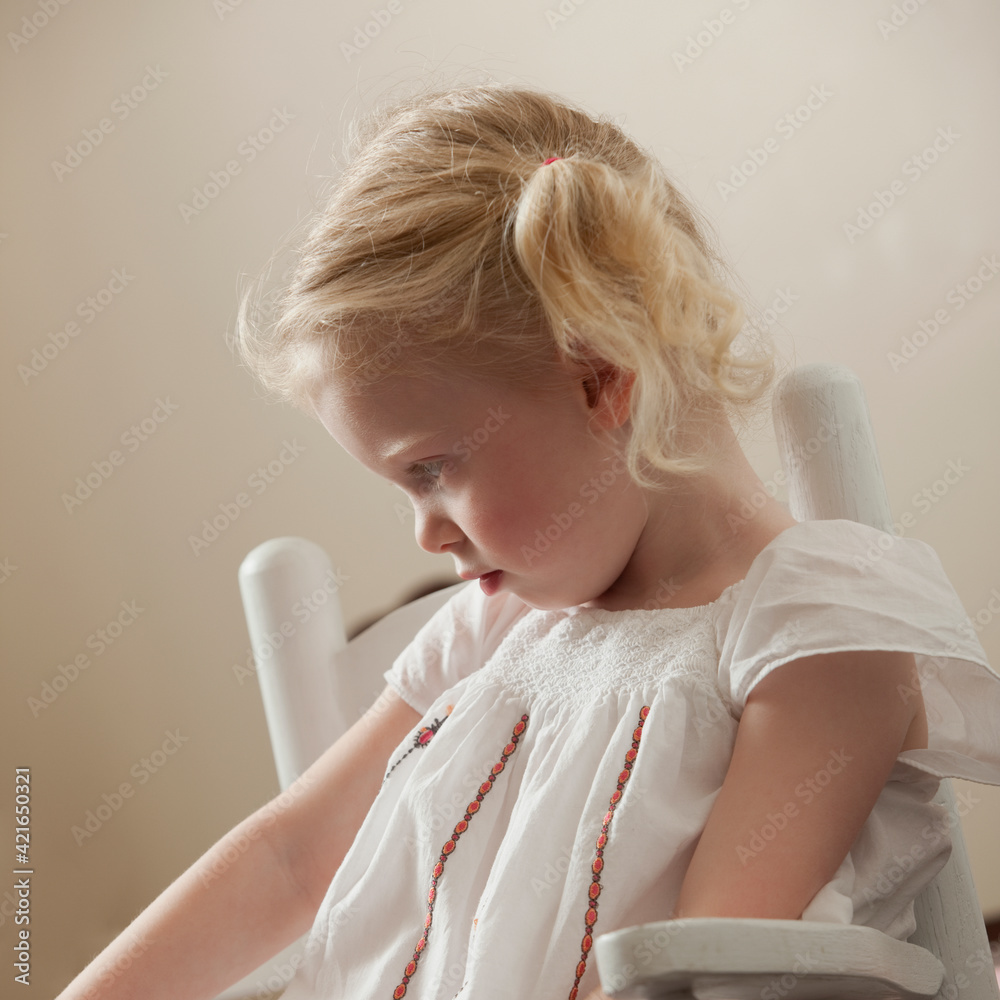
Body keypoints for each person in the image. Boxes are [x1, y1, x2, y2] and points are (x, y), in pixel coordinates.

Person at [58, 83, 1000, 1000]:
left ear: (602, 378)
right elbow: (294, 857)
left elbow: (700, 964)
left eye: (430, 469)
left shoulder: (814, 624)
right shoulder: (502, 624)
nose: (425, 529)